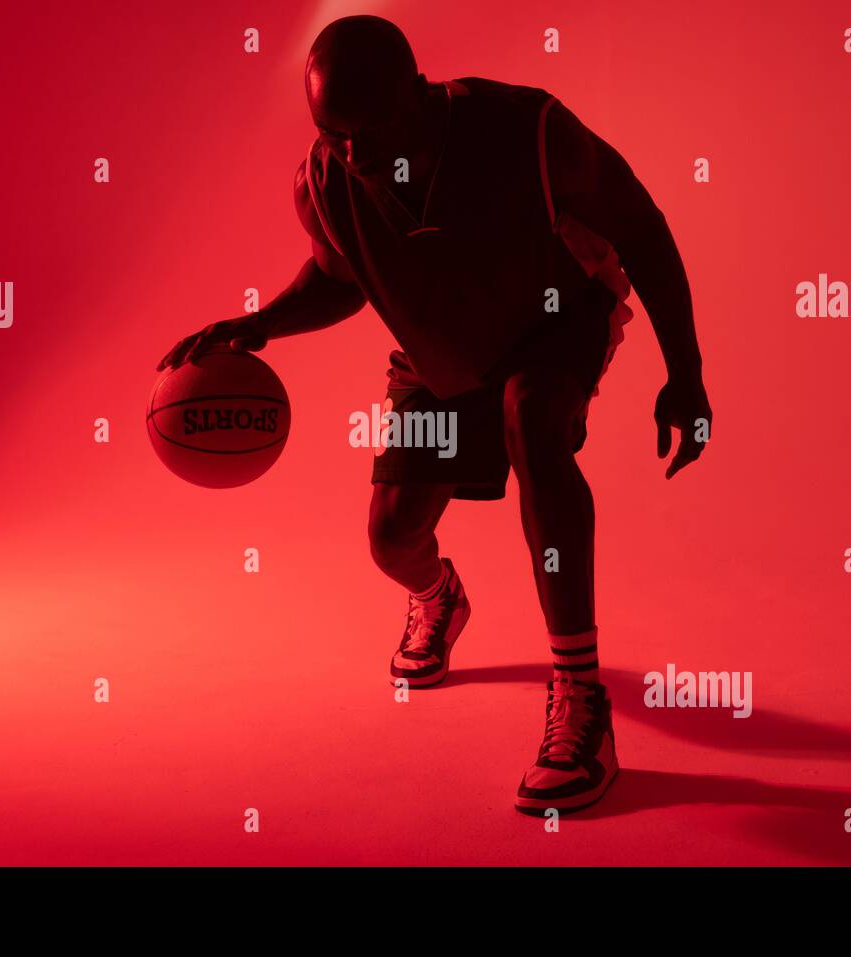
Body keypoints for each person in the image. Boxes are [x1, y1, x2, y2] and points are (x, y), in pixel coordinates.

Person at [158, 15, 712, 813]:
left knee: (531, 415)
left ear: (416, 95)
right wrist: (262, 323)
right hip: (439, 354)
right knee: (391, 536)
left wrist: (685, 373)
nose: (353, 152)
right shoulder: (327, 178)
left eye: (370, 129)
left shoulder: (529, 132)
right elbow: (342, 275)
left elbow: (642, 225)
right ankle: (441, 597)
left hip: (552, 321)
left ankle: (581, 693)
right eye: (333, 132)